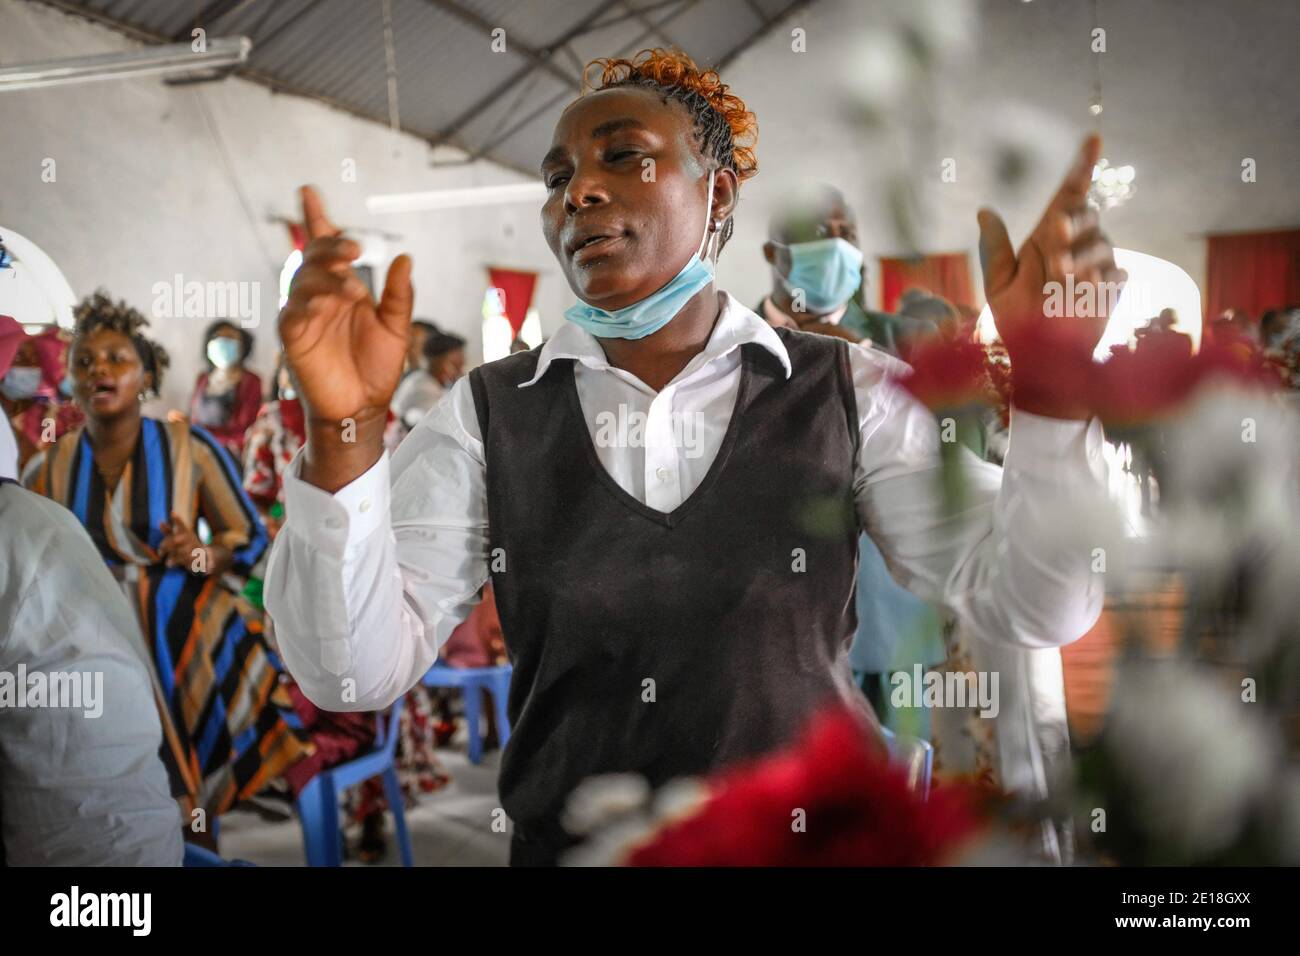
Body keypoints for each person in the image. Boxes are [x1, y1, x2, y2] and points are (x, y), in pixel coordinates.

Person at [266, 48, 1118, 866]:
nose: (579, 192)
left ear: (717, 194)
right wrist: (343, 431)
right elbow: (351, 674)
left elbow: (1035, 606)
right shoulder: (489, 415)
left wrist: (1051, 392)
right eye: (558, 178)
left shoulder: (847, 388)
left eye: (623, 157)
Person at [24, 292, 310, 843]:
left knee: (185, 789)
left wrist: (197, 554)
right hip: (89, 646)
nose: (98, 370)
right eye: (84, 361)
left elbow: (246, 539)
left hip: (178, 640)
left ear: (147, 374)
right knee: (108, 787)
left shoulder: (190, 447)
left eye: (116, 359)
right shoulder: (48, 467)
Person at [0, 478, 184, 865]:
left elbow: (100, 821)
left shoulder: (27, 535)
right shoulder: (52, 466)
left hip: (161, 616)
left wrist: (200, 554)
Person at [759, 183, 936, 356]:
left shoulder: (915, 338)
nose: (837, 247)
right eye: (818, 233)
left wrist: (860, 350)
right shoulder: (738, 335)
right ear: (772, 253)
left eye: (847, 235)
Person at [189, 319, 263, 462]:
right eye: (218, 338)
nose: (223, 343)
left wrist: (204, 437)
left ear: (242, 347)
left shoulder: (251, 381)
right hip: (200, 452)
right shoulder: (203, 379)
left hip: (232, 457)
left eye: (230, 338)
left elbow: (247, 431)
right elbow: (194, 419)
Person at [389, 327, 466, 433]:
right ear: (441, 362)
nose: (461, 371)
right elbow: (445, 425)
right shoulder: (423, 387)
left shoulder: (431, 382)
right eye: (457, 365)